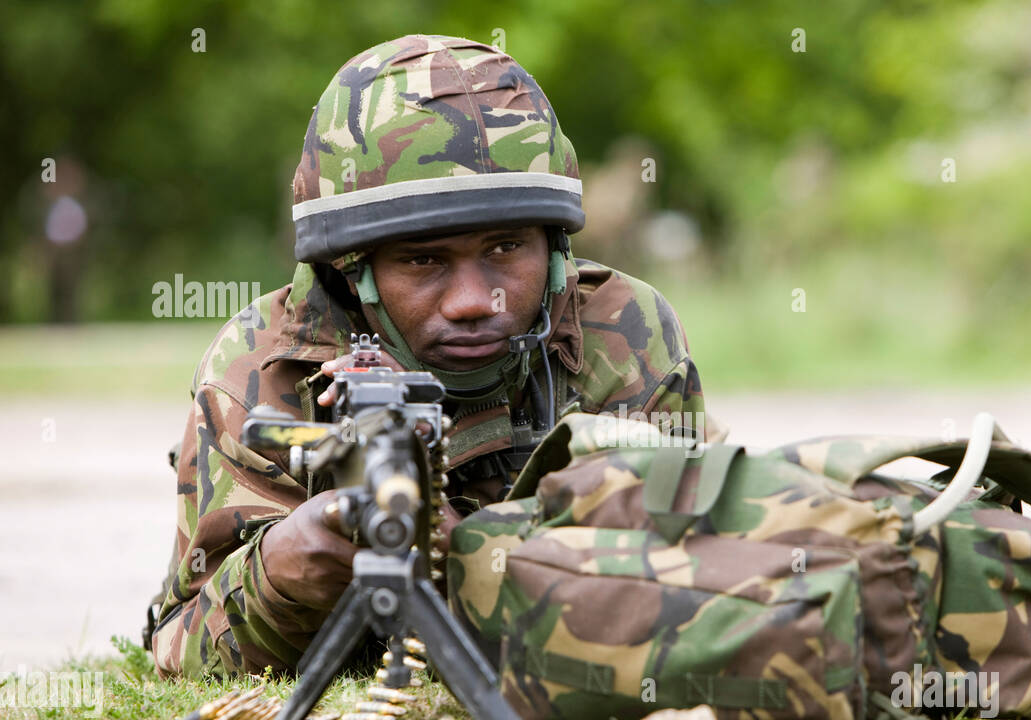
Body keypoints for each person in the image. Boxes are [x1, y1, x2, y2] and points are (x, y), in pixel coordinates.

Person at [147, 35, 710, 679]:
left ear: (554, 248)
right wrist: (278, 576)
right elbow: (181, 649)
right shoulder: (260, 372)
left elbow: (688, 585)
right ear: (353, 271)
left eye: (506, 249)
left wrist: (457, 551)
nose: (474, 300)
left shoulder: (626, 336)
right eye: (423, 259)